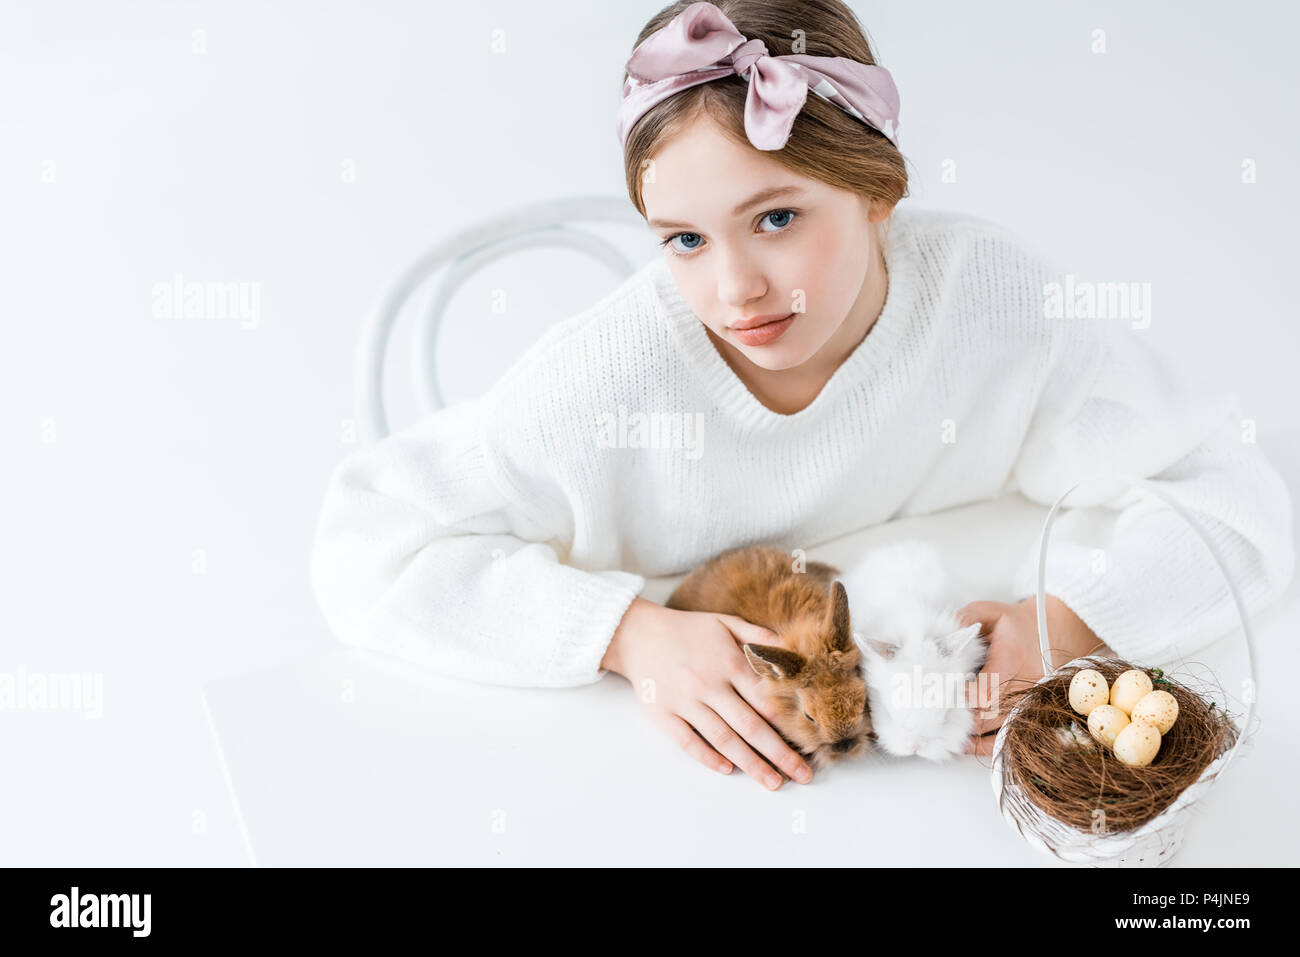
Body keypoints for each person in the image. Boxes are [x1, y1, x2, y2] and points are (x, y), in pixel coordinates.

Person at [308, 0, 1294, 790]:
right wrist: (626, 635)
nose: (732, 289)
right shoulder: (616, 374)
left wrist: (1074, 621)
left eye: (775, 216)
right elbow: (366, 543)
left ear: (874, 187)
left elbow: (1233, 491)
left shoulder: (989, 299)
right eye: (683, 239)